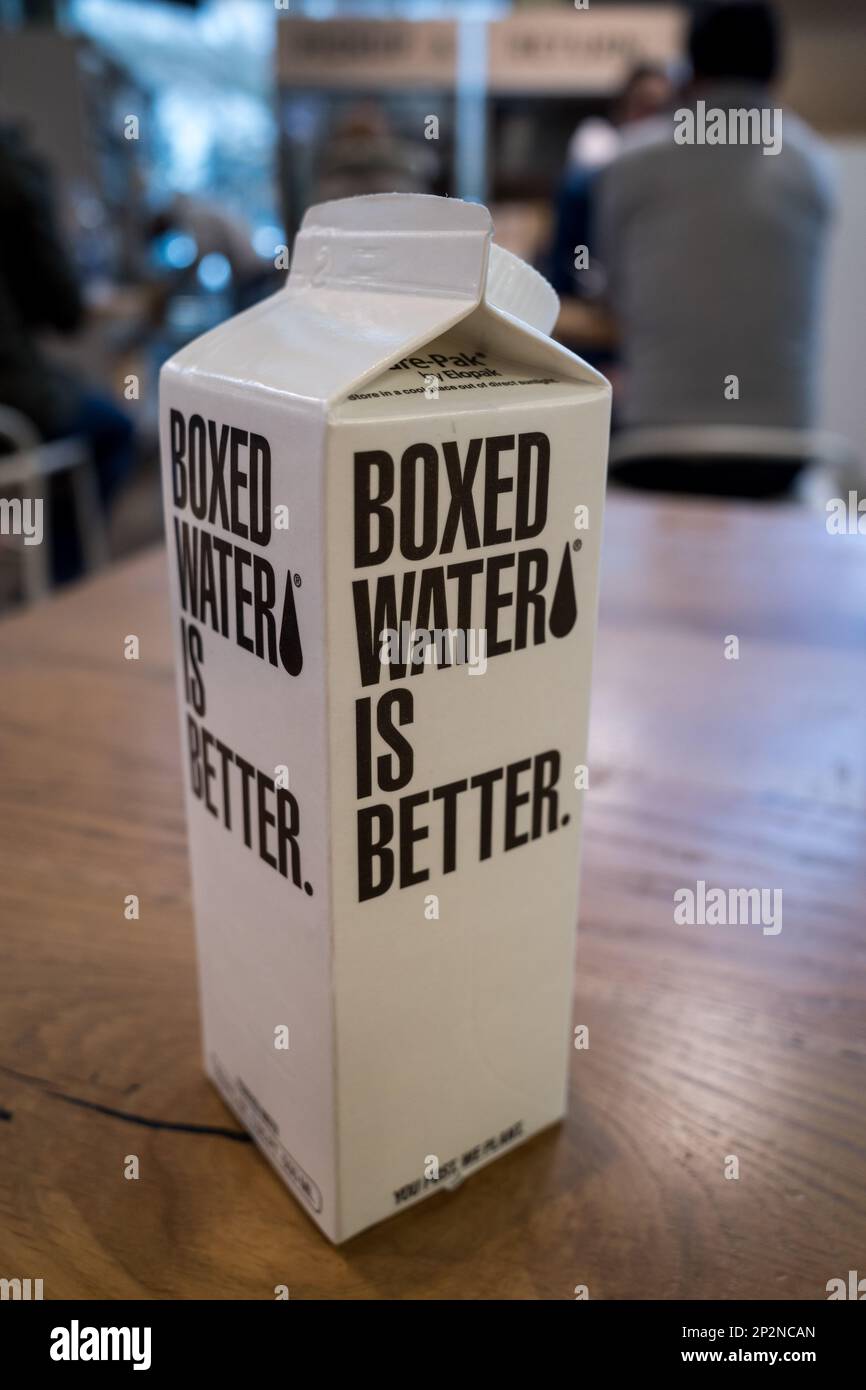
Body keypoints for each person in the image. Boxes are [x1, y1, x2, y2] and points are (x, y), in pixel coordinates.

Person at [594, 1, 836, 497]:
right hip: (782, 461)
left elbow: (616, 293)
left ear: (692, 67)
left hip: (654, 455)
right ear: (777, 69)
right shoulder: (813, 165)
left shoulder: (632, 160)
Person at [0, 123, 134, 582]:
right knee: (113, 429)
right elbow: (62, 308)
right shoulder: (11, 169)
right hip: (13, 404)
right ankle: (55, 577)